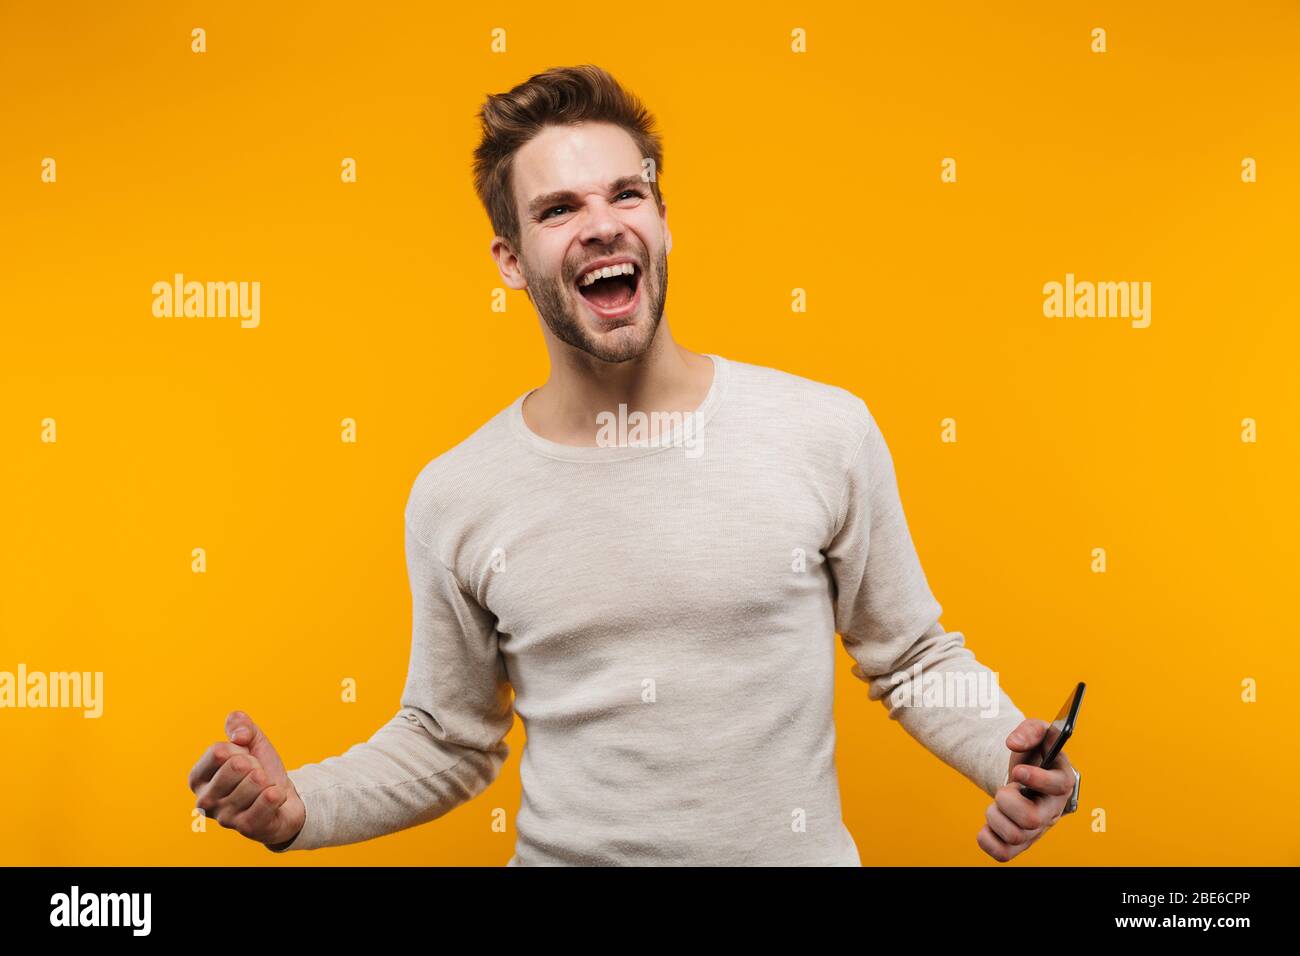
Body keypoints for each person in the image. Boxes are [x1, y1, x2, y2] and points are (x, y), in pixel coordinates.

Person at [188, 64, 1079, 865]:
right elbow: (449, 740)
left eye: (627, 194)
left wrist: (1012, 750)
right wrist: (303, 806)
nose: (602, 225)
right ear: (510, 259)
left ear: (662, 220)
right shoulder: (457, 495)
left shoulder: (822, 430)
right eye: (559, 208)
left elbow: (913, 656)